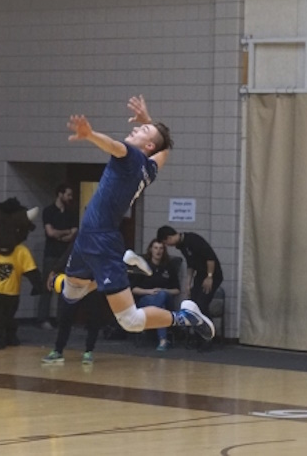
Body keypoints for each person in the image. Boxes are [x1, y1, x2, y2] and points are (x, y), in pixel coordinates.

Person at [60, 95, 213, 343]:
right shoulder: (148, 168)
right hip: (89, 237)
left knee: (130, 321)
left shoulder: (130, 156)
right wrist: (151, 123)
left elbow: (113, 145)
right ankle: (125, 266)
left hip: (102, 241)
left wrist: (89, 134)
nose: (135, 128)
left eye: (142, 130)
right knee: (70, 293)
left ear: (148, 146)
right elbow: (164, 152)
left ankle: (185, 317)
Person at [42, 248, 109, 365]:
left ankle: (89, 351)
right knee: (65, 316)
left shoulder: (102, 242)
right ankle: (58, 350)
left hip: (92, 284)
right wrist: (54, 271)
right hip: (74, 284)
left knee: (94, 317)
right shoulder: (79, 240)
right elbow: (67, 255)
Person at [156, 225, 223, 324]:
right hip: (200, 274)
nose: (168, 246)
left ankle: (209, 333)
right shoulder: (181, 245)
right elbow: (190, 264)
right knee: (193, 304)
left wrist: (209, 277)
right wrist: (188, 283)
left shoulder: (193, 240)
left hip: (212, 274)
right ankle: (197, 334)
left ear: (169, 238)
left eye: (166, 243)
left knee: (201, 304)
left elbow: (210, 258)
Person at [130, 238, 182, 351]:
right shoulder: (143, 266)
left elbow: (177, 290)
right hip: (146, 299)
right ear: (150, 250)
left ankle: (163, 339)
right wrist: (149, 291)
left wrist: (163, 291)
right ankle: (163, 340)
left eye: (161, 248)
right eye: (155, 248)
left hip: (165, 297)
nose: (158, 251)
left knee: (162, 296)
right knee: (160, 306)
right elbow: (134, 289)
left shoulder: (169, 267)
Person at [38, 184, 78, 330]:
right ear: (60, 194)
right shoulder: (48, 211)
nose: (70, 198)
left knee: (64, 287)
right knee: (47, 286)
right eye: (68, 194)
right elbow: (50, 233)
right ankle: (43, 318)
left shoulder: (71, 212)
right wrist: (65, 233)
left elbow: (74, 233)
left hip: (65, 254)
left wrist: (59, 234)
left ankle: (62, 319)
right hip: (51, 253)